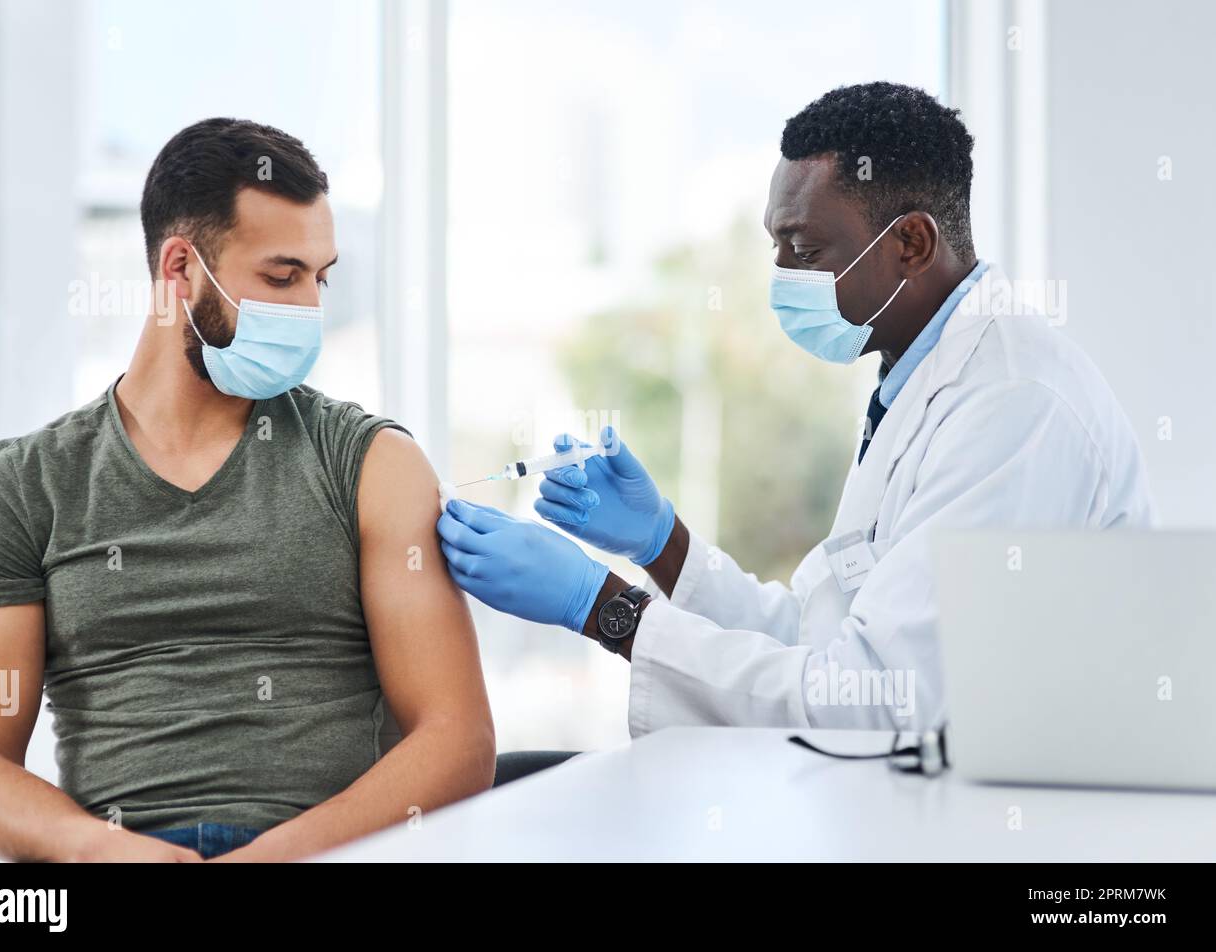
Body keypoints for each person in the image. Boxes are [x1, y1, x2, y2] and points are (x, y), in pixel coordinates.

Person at [437, 82, 1153, 739]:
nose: (781, 275)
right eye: (776, 245)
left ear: (911, 242)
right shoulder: (918, 379)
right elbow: (821, 639)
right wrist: (663, 545)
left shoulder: (1015, 406)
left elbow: (878, 697)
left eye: (804, 248)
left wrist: (603, 607)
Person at [0, 118, 495, 862]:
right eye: (280, 276)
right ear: (179, 270)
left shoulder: (372, 464)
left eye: (318, 278)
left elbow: (458, 739)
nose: (307, 310)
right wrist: (97, 849)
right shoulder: (23, 487)